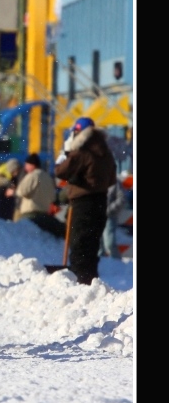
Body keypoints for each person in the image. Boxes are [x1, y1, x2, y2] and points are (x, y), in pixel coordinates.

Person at [52, 117, 117, 285]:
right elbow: (111, 179)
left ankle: (80, 281)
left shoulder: (82, 152)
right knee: (92, 246)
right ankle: (91, 281)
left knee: (79, 245)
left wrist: (65, 154)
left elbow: (60, 171)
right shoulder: (105, 152)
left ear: (79, 133)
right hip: (100, 202)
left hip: (82, 204)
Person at [15, 153, 65, 239]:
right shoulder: (48, 177)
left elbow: (22, 191)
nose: (25, 167)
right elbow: (53, 197)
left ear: (32, 165)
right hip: (45, 215)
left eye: (26, 165)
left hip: (30, 214)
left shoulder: (32, 175)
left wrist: (13, 191)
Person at [99, 178, 126, 259]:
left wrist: (109, 209)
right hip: (96, 216)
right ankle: (101, 264)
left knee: (109, 244)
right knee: (98, 246)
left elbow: (121, 199)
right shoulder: (96, 179)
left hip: (109, 216)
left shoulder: (115, 182)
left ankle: (117, 263)